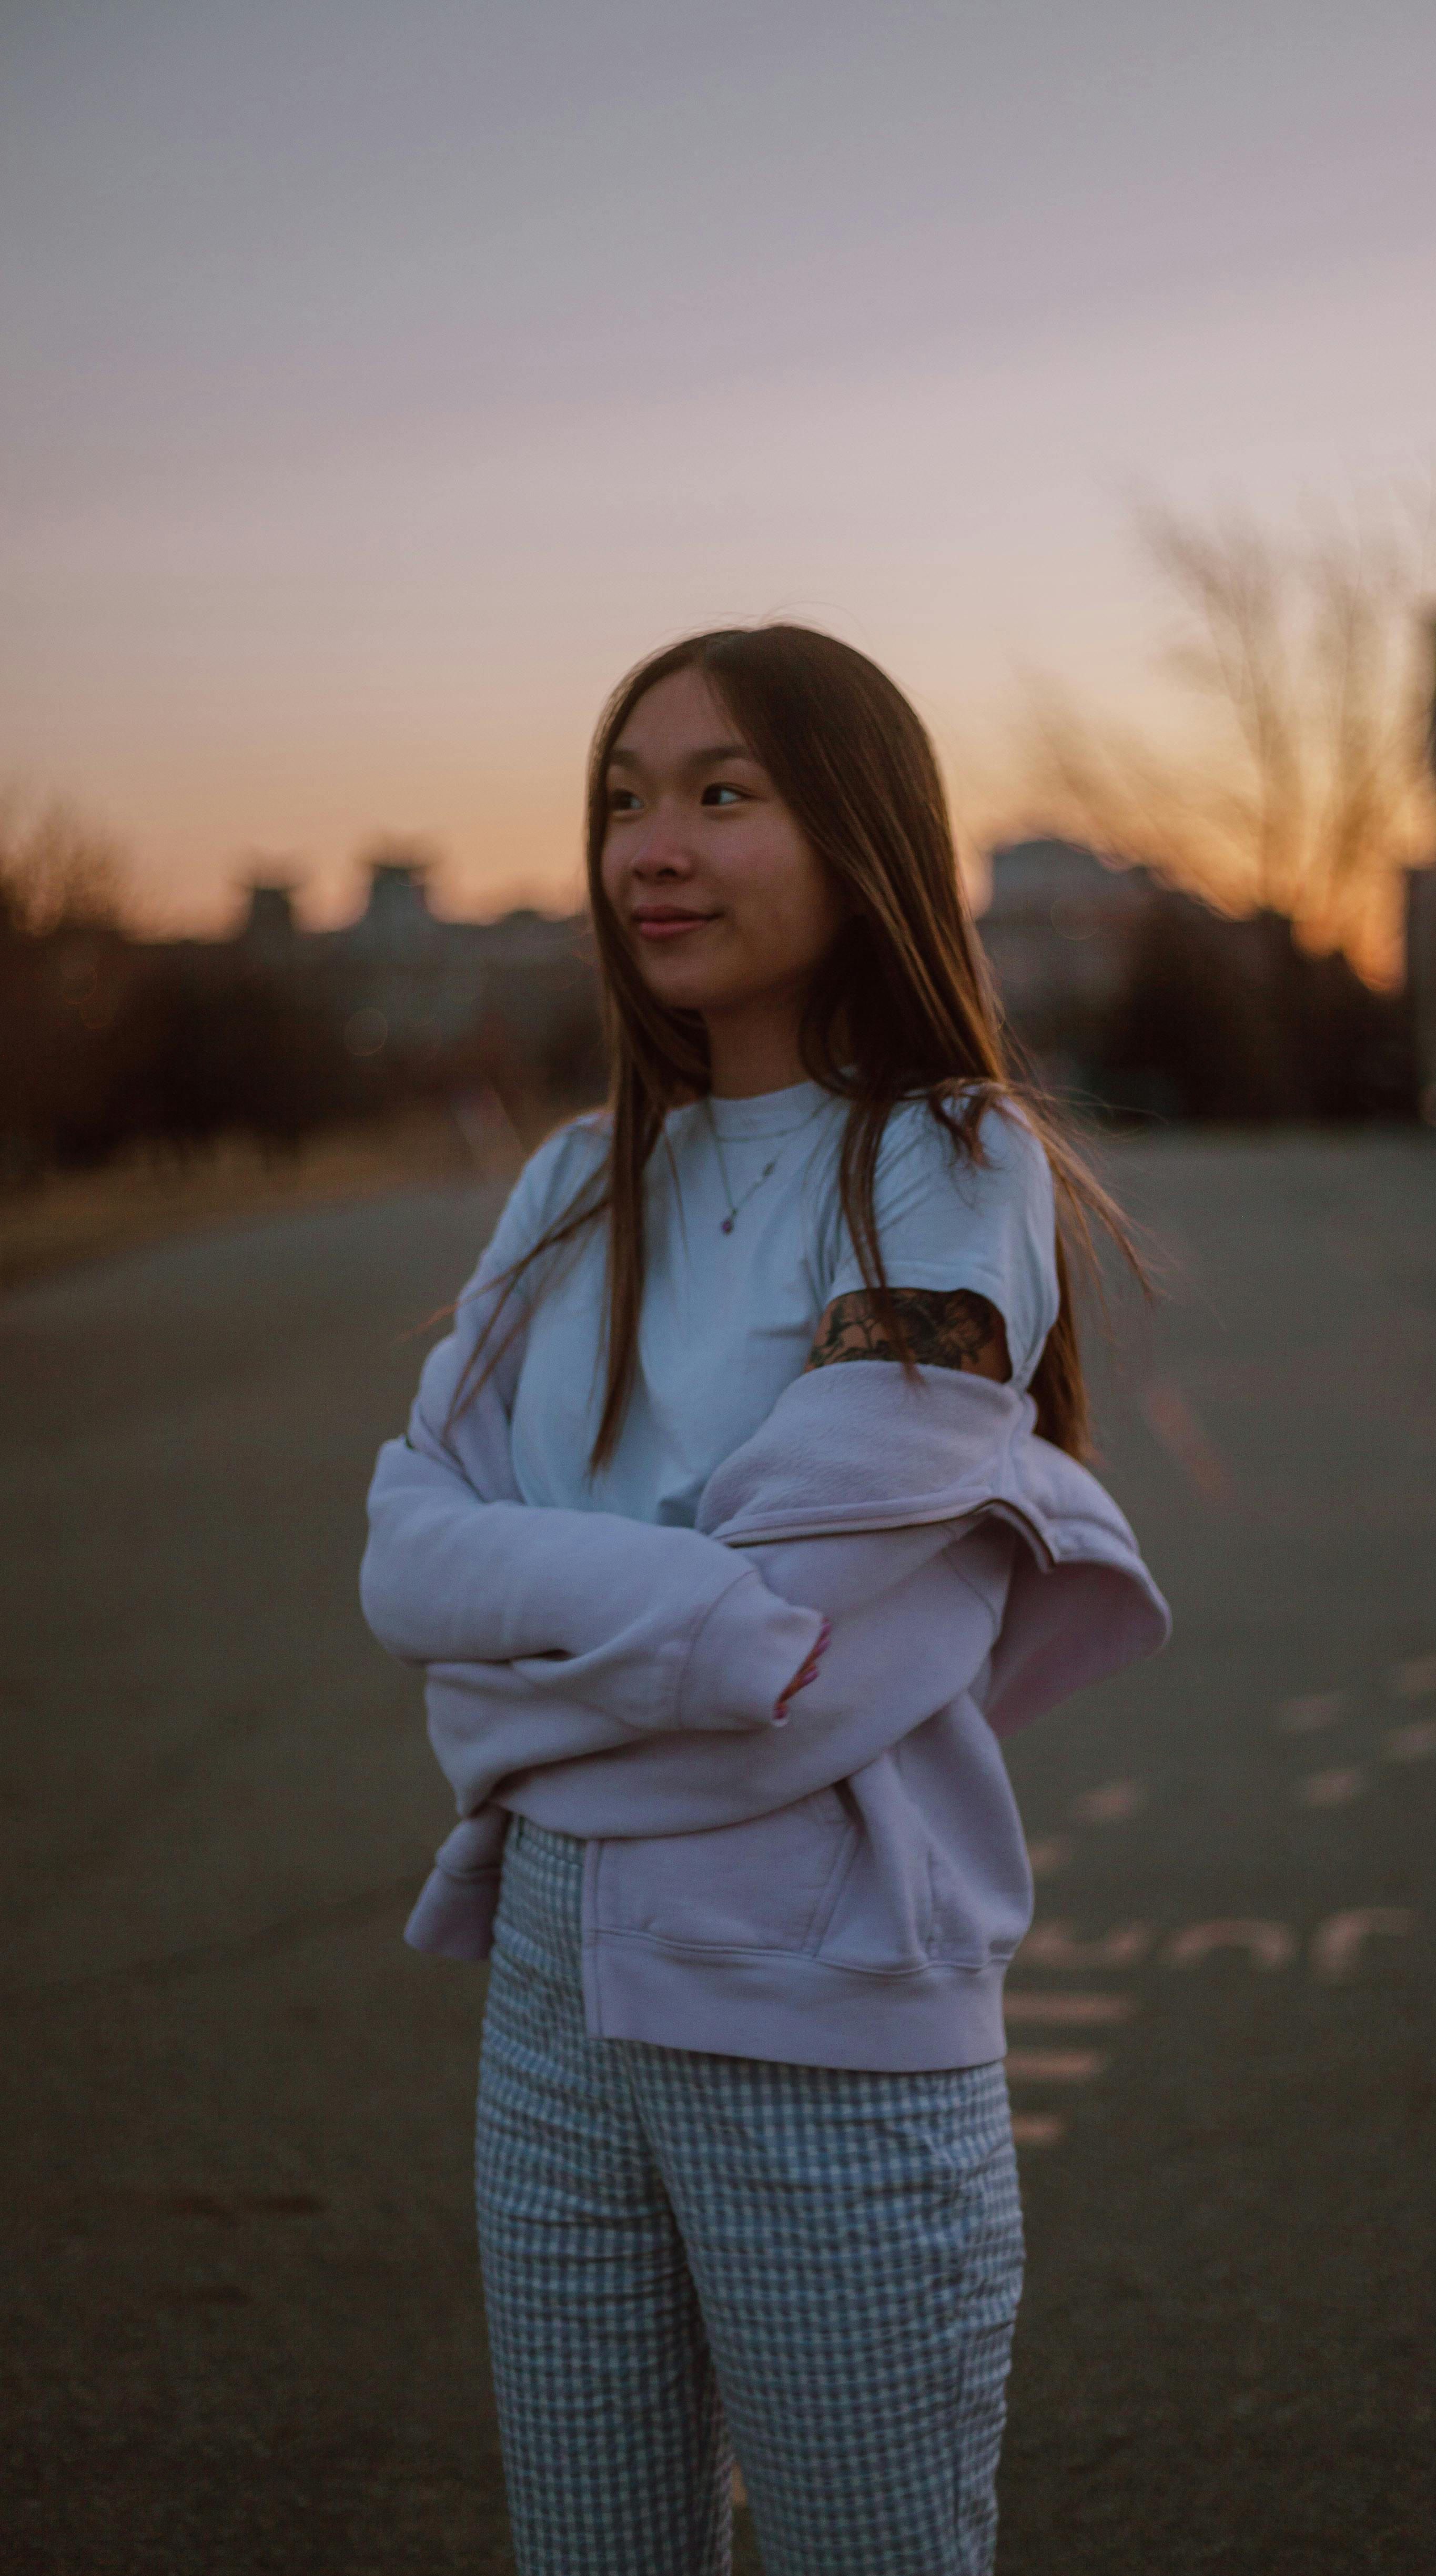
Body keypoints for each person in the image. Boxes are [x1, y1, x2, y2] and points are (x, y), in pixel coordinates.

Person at [361, 624, 1169, 2576]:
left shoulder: (947, 1163)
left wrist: (521, 1697)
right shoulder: (567, 1183)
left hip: (824, 1994)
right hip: (550, 1998)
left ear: (859, 830)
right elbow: (404, 1543)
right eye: (625, 798)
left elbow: (821, 1659)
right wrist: (675, 1624)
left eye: (723, 794)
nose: (656, 844)